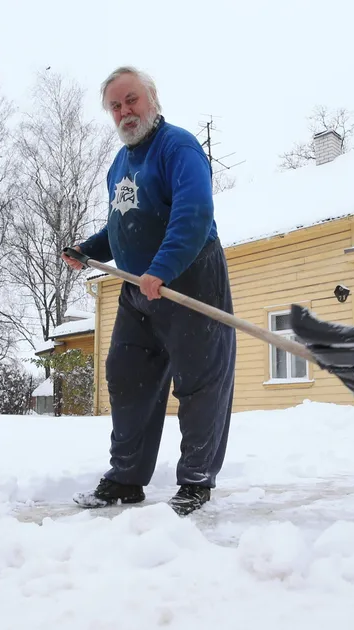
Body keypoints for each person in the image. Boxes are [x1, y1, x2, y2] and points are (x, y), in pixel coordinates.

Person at [62, 66, 236, 516]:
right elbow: (123, 224)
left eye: (131, 100)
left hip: (189, 277)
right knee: (126, 375)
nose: (125, 112)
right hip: (138, 287)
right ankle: (126, 478)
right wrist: (91, 248)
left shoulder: (178, 147)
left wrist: (161, 269)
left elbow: (193, 213)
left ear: (152, 98)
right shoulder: (120, 163)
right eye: (116, 106)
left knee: (199, 381)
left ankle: (196, 481)